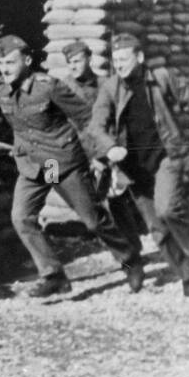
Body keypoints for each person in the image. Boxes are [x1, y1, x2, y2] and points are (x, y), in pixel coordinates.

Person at [0, 35, 142, 297]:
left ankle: (130, 259)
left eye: (10, 62)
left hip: (62, 161)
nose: (4, 68)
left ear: (26, 61)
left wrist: (102, 152)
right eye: (1, 62)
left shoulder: (49, 86)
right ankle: (53, 275)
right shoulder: (0, 88)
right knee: (22, 218)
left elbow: (86, 119)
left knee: (93, 221)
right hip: (32, 164)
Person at [88, 33, 189, 297]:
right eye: (115, 60)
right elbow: (96, 126)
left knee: (167, 210)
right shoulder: (110, 88)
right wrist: (110, 146)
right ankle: (187, 277)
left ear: (139, 57)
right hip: (133, 168)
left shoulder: (161, 77)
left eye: (124, 59)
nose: (119, 65)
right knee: (157, 230)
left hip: (165, 157)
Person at [59, 40, 149, 250]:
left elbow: (118, 119)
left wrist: (108, 154)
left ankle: (131, 252)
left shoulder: (105, 84)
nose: (73, 66)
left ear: (89, 59)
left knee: (116, 202)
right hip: (78, 153)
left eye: (77, 61)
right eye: (69, 62)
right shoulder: (63, 87)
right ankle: (122, 250)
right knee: (92, 207)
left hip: (104, 152)